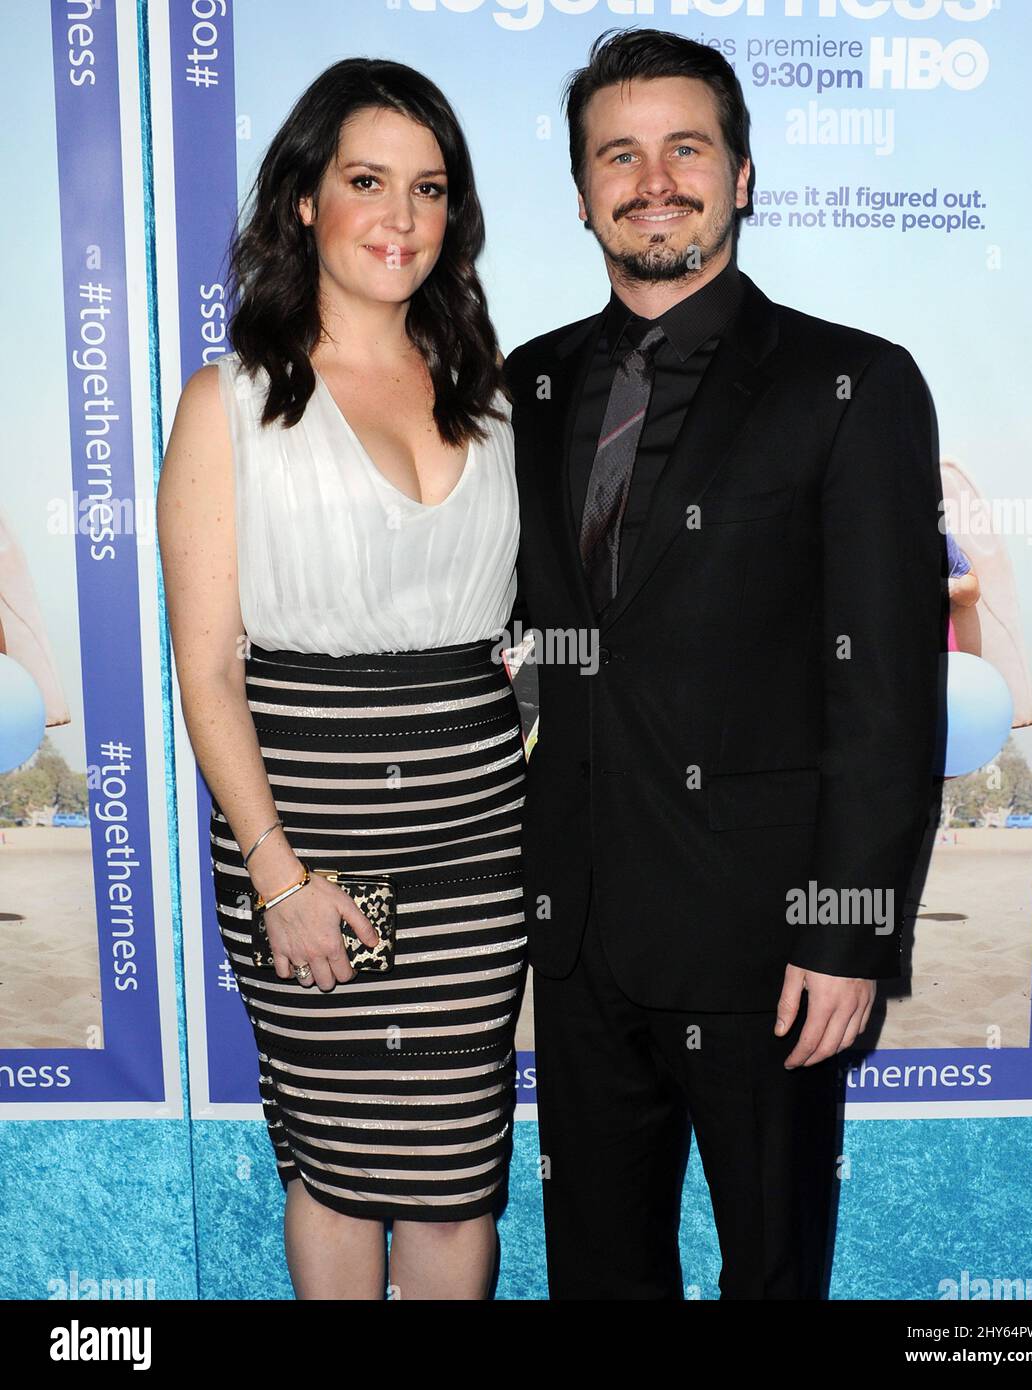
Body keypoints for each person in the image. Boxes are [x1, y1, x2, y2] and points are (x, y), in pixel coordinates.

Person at [502, 28, 946, 1299]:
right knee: (598, 1271)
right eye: (619, 154)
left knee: (771, 1269)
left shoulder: (853, 382)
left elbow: (887, 690)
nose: (654, 179)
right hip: (578, 935)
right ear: (583, 188)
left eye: (685, 148)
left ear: (741, 175)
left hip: (772, 951)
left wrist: (849, 934)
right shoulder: (525, 386)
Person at [157, 58, 527, 1300]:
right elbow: (207, 669)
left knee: (456, 1166)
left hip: (477, 836)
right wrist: (279, 874)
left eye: (428, 189)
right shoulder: (230, 404)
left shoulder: (494, 399)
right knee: (334, 1165)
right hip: (310, 837)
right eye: (367, 181)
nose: (401, 217)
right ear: (306, 201)